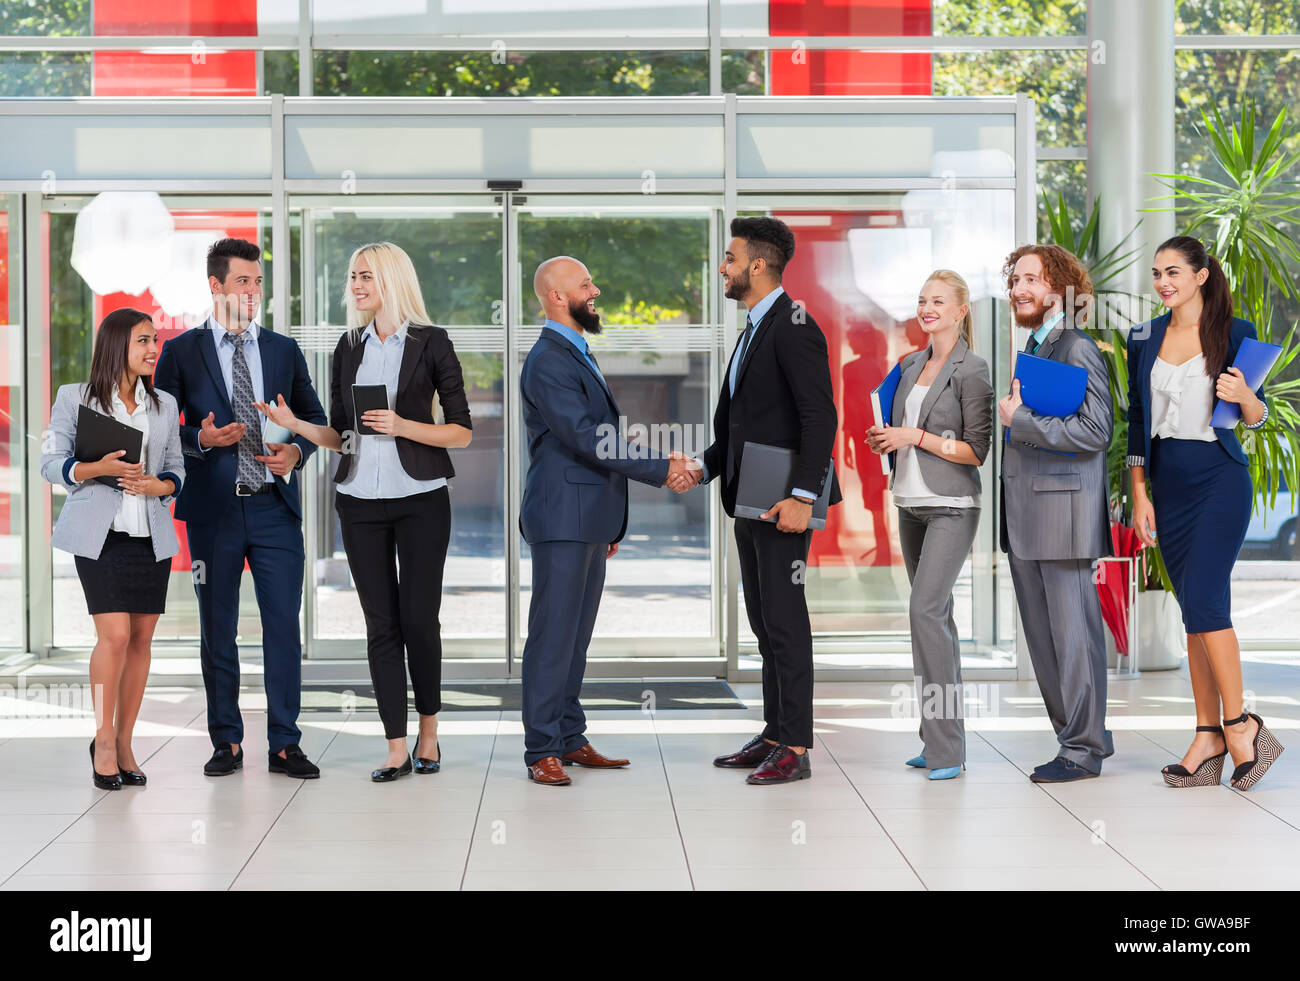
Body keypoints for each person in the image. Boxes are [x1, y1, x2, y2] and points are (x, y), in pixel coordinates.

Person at [255, 241, 472, 782]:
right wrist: (297, 426)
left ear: (392, 280)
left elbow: (462, 431)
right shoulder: (347, 345)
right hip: (359, 503)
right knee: (381, 625)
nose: (355, 285)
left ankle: (429, 735)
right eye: (353, 276)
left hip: (421, 498)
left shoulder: (432, 342)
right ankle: (395, 747)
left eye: (366, 276)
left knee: (419, 620)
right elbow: (340, 431)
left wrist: (403, 425)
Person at [153, 237, 328, 779]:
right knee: (217, 627)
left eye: (258, 282)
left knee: (282, 627)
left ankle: (284, 744)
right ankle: (226, 741)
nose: (253, 291)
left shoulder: (282, 349)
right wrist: (201, 439)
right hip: (213, 514)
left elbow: (316, 421)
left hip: (275, 510)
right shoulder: (180, 352)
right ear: (215, 286)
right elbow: (160, 435)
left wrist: (296, 451)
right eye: (244, 282)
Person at [518, 255, 695, 786]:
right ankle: (541, 748)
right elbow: (587, 437)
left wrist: (612, 513)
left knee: (575, 636)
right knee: (554, 635)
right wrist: (663, 468)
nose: (595, 290)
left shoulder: (576, 352)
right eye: (585, 283)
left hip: (586, 518)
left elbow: (597, 437)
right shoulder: (549, 359)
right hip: (562, 517)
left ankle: (569, 737)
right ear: (555, 295)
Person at [1129, 235, 1284, 790]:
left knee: (1205, 601)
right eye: (1156, 273)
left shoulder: (1234, 335)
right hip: (1167, 483)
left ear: (1200, 275)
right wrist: (1140, 492)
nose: (1163, 282)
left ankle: (1240, 725)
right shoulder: (1143, 336)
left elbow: (1255, 416)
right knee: (1192, 611)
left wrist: (1245, 395)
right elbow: (1136, 420)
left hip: (1220, 478)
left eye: (1173, 271)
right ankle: (1207, 733)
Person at [690, 216, 841, 785]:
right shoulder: (754, 327)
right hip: (749, 499)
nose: (721, 268)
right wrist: (704, 466)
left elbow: (818, 415)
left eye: (729, 259)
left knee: (785, 622)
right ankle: (776, 732)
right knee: (763, 620)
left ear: (757, 264)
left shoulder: (793, 324)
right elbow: (741, 423)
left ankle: (796, 747)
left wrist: (804, 495)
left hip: (783, 504)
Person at [41, 308, 185, 790]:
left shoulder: (163, 404)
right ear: (116, 344)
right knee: (116, 637)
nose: (153, 350)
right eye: (144, 341)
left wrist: (159, 485)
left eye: (155, 341)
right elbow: (51, 464)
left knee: (142, 640)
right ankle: (103, 740)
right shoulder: (74, 399)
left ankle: (125, 742)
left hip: (150, 534)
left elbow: (177, 469)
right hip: (99, 536)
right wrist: (94, 467)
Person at [866, 270, 993, 781]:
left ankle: (948, 750)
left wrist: (914, 436)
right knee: (933, 621)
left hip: (951, 506)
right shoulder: (910, 363)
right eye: (922, 300)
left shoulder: (973, 368)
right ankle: (937, 736)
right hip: (909, 502)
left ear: (961, 310)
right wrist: (886, 441)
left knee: (925, 611)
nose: (927, 308)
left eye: (938, 301)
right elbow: (898, 432)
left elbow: (975, 451)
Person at [998, 244, 1114, 783]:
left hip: (1062, 516)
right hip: (1027, 518)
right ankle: (1074, 741)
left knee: (1074, 638)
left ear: (1059, 287)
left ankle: (1084, 749)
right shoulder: (1037, 345)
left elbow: (1095, 432)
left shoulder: (1077, 347)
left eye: (1031, 280)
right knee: (1046, 641)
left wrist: (1018, 420)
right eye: (1015, 280)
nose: (1019, 289)